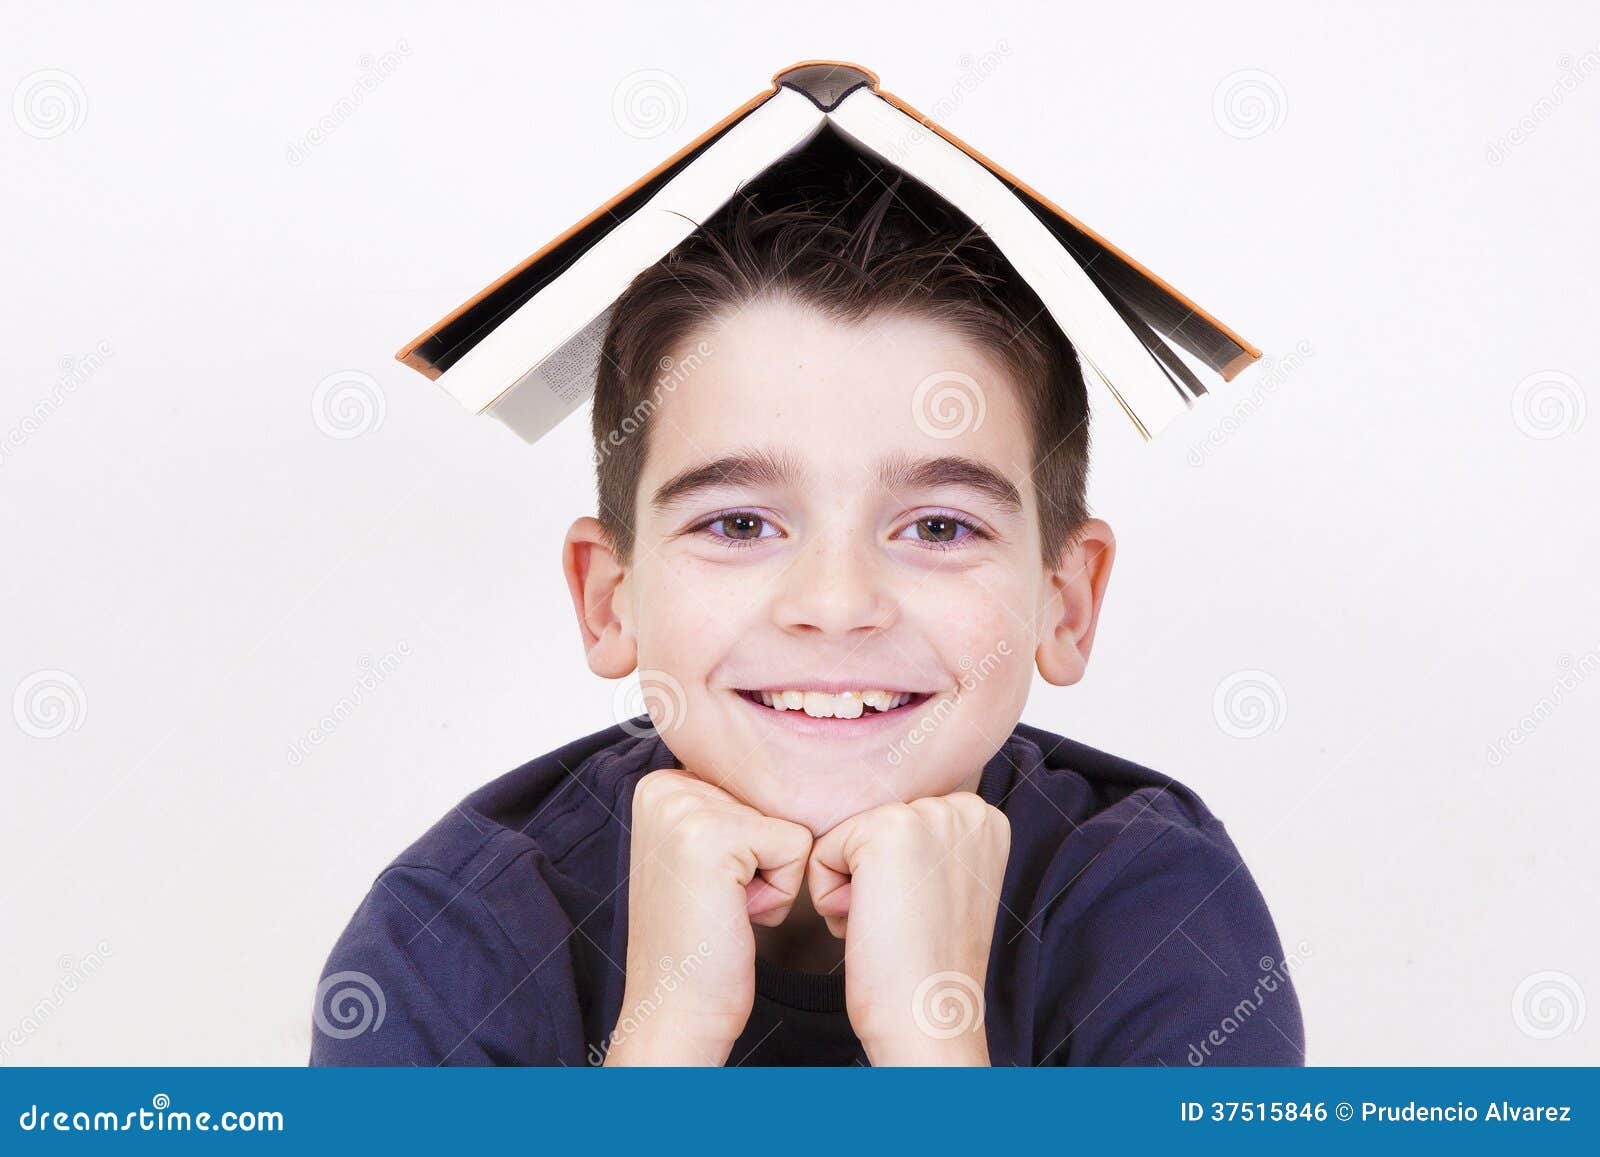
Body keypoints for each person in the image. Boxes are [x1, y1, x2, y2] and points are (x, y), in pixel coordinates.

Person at [310, 142, 1304, 1066]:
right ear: (608, 600)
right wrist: (669, 1030)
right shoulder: (457, 930)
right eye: (739, 525)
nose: (835, 605)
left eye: (938, 528)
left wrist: (931, 1036)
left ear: (1066, 604)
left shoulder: (1153, 911)